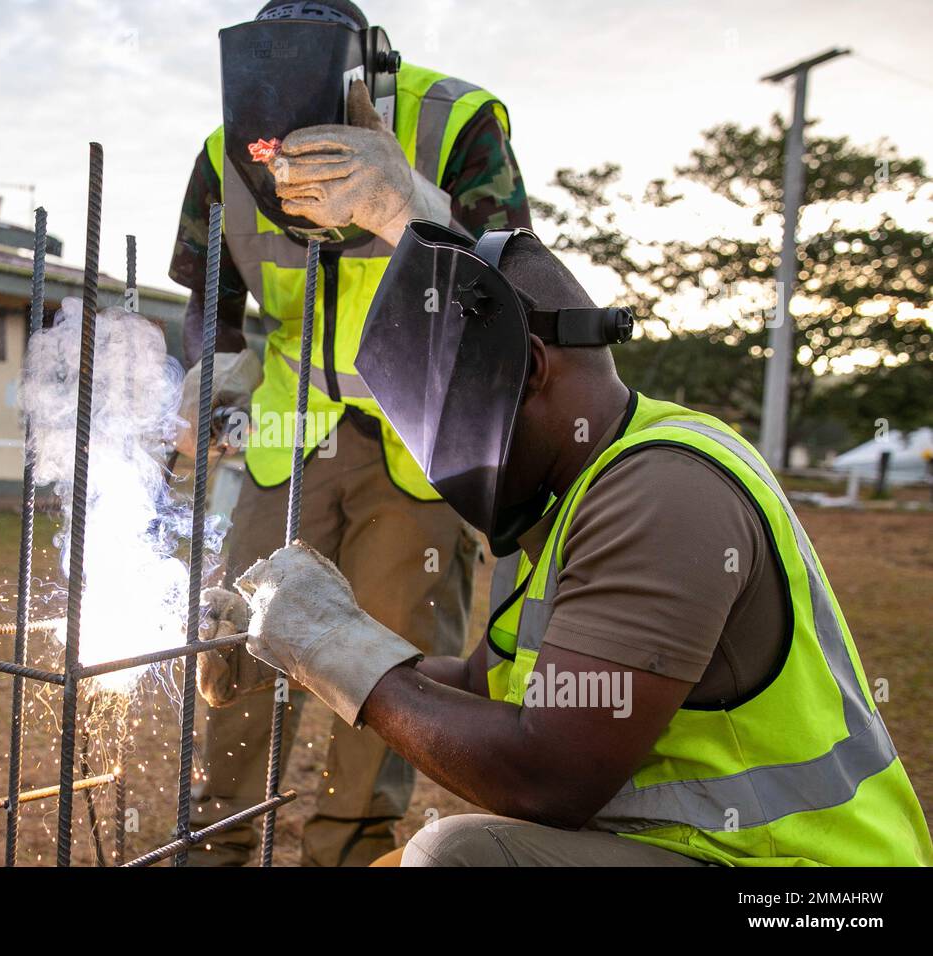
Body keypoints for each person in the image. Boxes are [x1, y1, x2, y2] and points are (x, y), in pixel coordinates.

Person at [202, 222, 933, 866]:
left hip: (796, 879)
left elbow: (546, 778)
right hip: (692, 848)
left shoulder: (661, 494)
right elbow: (485, 686)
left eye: (445, 424)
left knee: (454, 858)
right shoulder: (577, 492)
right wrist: (293, 652)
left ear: (533, 368)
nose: (438, 460)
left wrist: (335, 648)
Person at [171, 0, 531, 866]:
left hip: (422, 435)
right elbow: (210, 302)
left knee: (386, 665)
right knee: (242, 642)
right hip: (290, 431)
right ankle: (218, 839)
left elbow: (515, 272)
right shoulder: (229, 147)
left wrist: (409, 195)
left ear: (368, 65)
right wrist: (205, 392)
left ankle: (349, 850)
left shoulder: (455, 118)